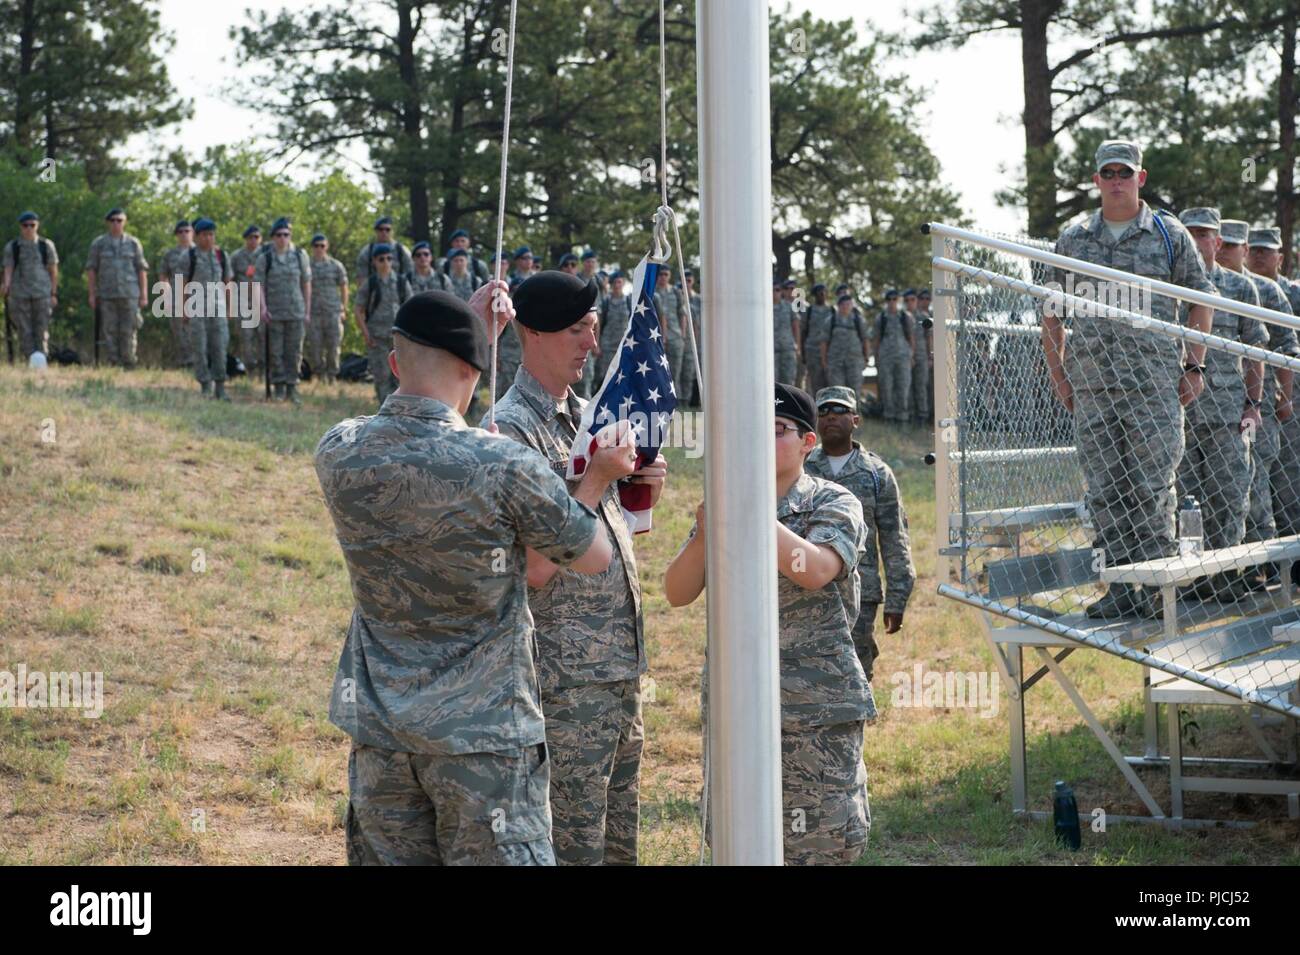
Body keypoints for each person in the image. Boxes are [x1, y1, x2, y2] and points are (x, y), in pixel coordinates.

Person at [316, 283, 640, 866]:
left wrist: (467, 333)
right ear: (476, 369)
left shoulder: (340, 450)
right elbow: (593, 555)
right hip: (484, 741)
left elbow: (400, 417)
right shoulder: (501, 463)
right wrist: (593, 482)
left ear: (393, 363)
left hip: (383, 737)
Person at [484, 269, 668, 865]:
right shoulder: (509, 428)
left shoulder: (589, 415)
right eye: (577, 331)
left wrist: (639, 491)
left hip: (617, 664)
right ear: (530, 333)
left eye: (594, 328)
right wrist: (595, 480)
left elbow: (613, 529)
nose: (592, 343)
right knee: (572, 844)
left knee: (618, 842)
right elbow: (535, 566)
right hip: (561, 677)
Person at [665, 382, 870, 865]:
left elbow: (815, 570)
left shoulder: (833, 501)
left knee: (818, 842)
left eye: (778, 430)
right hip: (736, 704)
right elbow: (677, 592)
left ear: (808, 442)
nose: (761, 441)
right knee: (740, 841)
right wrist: (706, 531)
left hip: (813, 709)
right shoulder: (727, 504)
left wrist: (750, 509)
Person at [1042, 140, 1215, 619]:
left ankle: (1159, 589)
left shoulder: (1167, 233)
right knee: (1104, 489)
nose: (1116, 180)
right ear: (1097, 180)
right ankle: (1118, 586)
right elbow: (1052, 313)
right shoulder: (1074, 239)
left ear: (1141, 177)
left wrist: (1194, 364)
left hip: (1154, 386)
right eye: (1108, 172)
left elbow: (1201, 300)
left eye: (1125, 172)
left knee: (1151, 487)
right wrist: (1059, 377)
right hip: (1092, 387)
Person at [1174, 209, 1264, 598]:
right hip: (1180, 413)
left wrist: (1253, 403)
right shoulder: (1169, 284)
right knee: (1187, 501)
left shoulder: (1240, 288)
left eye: (1205, 234)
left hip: (1227, 412)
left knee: (1229, 495)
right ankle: (1195, 574)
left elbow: (1256, 347)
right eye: (1190, 232)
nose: (1197, 240)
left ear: (1219, 242)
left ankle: (1228, 572)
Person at [805, 385, 914, 679]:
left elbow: (895, 538)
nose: (830, 417)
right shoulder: (800, 467)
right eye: (824, 411)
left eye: (840, 410)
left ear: (855, 420)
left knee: (856, 670)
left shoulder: (877, 474)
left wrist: (897, 597)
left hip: (860, 593)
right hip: (805, 586)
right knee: (808, 669)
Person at [1239, 224, 1300, 573]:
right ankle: (1266, 566)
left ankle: (1291, 565)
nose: (1260, 255)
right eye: (1255, 249)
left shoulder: (1292, 293)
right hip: (1255, 397)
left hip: (1289, 398)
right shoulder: (1243, 287)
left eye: (1268, 250)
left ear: (1281, 256)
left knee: (1289, 478)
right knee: (1260, 477)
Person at [254, 217, 312, 403]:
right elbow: (258, 285)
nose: (282, 238)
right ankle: (278, 387)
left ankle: (292, 387)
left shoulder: (299, 256)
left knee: (295, 351)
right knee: (276, 352)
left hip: (296, 311)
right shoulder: (265, 258)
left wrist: (307, 310)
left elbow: (306, 283)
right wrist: (262, 308)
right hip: (274, 313)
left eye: (286, 235)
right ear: (273, 237)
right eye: (279, 235)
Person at [86, 208, 148, 369]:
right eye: (112, 220)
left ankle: (129, 363)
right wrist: (92, 294)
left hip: (129, 293)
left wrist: (144, 295)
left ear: (124, 222)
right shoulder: (99, 244)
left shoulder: (133, 243)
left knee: (129, 330)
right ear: (108, 223)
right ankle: (113, 363)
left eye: (119, 220)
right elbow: (91, 269)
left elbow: (141, 270)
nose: (116, 224)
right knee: (110, 330)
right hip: (107, 294)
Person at [354, 242, 412, 406]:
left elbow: (411, 308)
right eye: (381, 259)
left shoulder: (401, 283)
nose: (385, 262)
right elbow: (358, 309)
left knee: (400, 375)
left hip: (399, 337)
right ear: (374, 262)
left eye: (388, 258)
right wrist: (365, 334)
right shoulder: (370, 284)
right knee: (381, 375)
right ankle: (384, 408)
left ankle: (399, 408)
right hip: (377, 337)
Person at [183, 218, 234, 400]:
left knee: (220, 348)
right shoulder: (190, 256)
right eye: (204, 235)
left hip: (218, 309)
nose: (208, 238)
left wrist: (229, 308)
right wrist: (184, 309)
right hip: (196, 309)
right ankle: (205, 385)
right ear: (196, 236)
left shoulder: (222, 256)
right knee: (200, 348)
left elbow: (227, 283)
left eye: (211, 234)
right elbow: (183, 284)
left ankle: (220, 386)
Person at [2, 211, 59, 361]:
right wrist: (6, 285)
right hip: (20, 294)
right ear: (20, 227)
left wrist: (54, 293)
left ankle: (42, 361)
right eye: (25, 225)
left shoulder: (46, 245)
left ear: (37, 226)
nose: (28, 228)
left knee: (42, 330)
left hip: (42, 294)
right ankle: (29, 360)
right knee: (24, 331)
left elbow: (53, 271)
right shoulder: (13, 246)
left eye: (32, 225)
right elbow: (8, 268)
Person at [308, 234, 349, 385]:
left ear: (327, 247)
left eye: (322, 246)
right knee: (315, 347)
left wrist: (343, 308)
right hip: (314, 312)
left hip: (333, 312)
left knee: (333, 347)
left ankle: (332, 376)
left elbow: (344, 287)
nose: (319, 249)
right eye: (316, 246)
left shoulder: (335, 265)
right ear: (312, 248)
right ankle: (319, 375)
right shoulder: (307, 266)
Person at [158, 220, 194, 367]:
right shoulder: (170, 254)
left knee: (198, 333)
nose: (184, 234)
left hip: (198, 299)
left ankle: (199, 363)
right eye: (180, 232)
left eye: (187, 231)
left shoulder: (200, 253)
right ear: (176, 235)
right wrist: (165, 297)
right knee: (179, 333)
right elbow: (163, 276)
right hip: (176, 298)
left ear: (193, 233)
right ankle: (184, 364)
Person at [873, 289, 913, 423]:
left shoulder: (905, 316)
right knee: (887, 387)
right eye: (889, 299)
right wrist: (876, 357)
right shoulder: (881, 318)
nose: (891, 302)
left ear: (898, 300)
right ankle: (889, 416)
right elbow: (877, 339)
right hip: (886, 358)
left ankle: (902, 417)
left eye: (894, 299)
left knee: (903, 387)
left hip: (903, 357)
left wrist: (911, 355)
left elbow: (911, 337)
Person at [230, 225, 264, 378]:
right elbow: (229, 280)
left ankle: (264, 372)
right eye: (250, 237)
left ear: (261, 239)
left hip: (262, 302)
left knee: (264, 338)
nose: (253, 240)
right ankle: (249, 371)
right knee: (246, 339)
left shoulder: (267, 255)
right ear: (245, 239)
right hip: (242, 302)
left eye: (256, 237)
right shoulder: (237, 256)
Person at [821, 293, 870, 393]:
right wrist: (824, 360)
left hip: (854, 362)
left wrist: (866, 358)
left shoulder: (858, 321)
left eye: (848, 304)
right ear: (838, 306)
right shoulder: (831, 321)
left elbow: (865, 339)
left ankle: (855, 409)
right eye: (843, 304)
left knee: (855, 391)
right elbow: (824, 342)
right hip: (835, 363)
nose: (846, 307)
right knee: (837, 392)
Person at [595, 269, 630, 383]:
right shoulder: (606, 302)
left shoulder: (629, 301)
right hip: (607, 347)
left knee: (623, 378)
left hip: (624, 346)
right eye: (614, 282)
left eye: (619, 282)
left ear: (623, 283)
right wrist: (597, 344)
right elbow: (599, 324)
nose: (617, 285)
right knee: (605, 378)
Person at [355, 216, 412, 285]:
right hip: (375, 290)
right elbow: (361, 277)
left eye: (387, 229)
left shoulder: (402, 251)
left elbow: (411, 274)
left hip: (399, 290)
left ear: (392, 231)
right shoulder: (367, 252)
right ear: (376, 231)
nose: (384, 232)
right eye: (381, 229)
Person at [803, 283, 833, 396]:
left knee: (830, 381)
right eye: (820, 293)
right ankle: (818, 409)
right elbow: (804, 332)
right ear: (815, 295)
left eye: (824, 292)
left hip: (829, 351)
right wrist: (803, 353)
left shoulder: (832, 310)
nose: (822, 294)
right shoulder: (809, 311)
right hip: (812, 351)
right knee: (816, 382)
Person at [911, 289, 934, 423]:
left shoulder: (929, 315)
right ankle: (915, 414)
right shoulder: (908, 316)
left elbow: (929, 339)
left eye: (927, 298)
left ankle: (926, 415)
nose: (925, 301)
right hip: (913, 356)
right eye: (922, 298)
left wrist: (931, 357)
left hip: (925, 357)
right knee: (914, 386)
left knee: (925, 386)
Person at [772, 280, 799, 386]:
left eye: (777, 290)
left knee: (789, 381)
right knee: (773, 382)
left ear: (781, 292)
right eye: (772, 290)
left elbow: (795, 326)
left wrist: (797, 346)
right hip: (771, 351)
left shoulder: (788, 306)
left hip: (787, 349)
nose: (775, 292)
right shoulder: (765, 307)